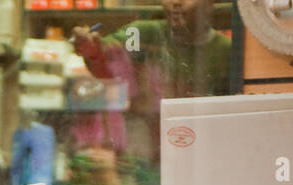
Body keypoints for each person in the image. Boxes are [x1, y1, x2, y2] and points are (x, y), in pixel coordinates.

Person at [70, 0, 230, 170]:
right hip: (144, 152)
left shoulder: (227, 51)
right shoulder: (143, 33)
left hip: (203, 155)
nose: (175, 2)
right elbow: (108, 56)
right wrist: (92, 50)